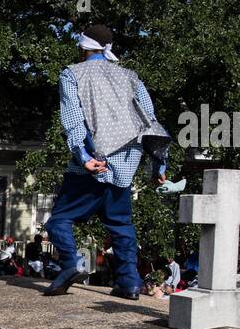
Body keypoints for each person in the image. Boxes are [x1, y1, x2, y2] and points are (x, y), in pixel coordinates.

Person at [43, 23, 170, 301]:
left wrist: (84, 157)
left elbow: (74, 120)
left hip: (91, 164)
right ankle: (130, 283)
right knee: (121, 226)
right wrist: (159, 163)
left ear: (84, 46)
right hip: (124, 165)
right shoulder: (130, 76)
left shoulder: (72, 74)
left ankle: (71, 265)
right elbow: (150, 120)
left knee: (59, 221)